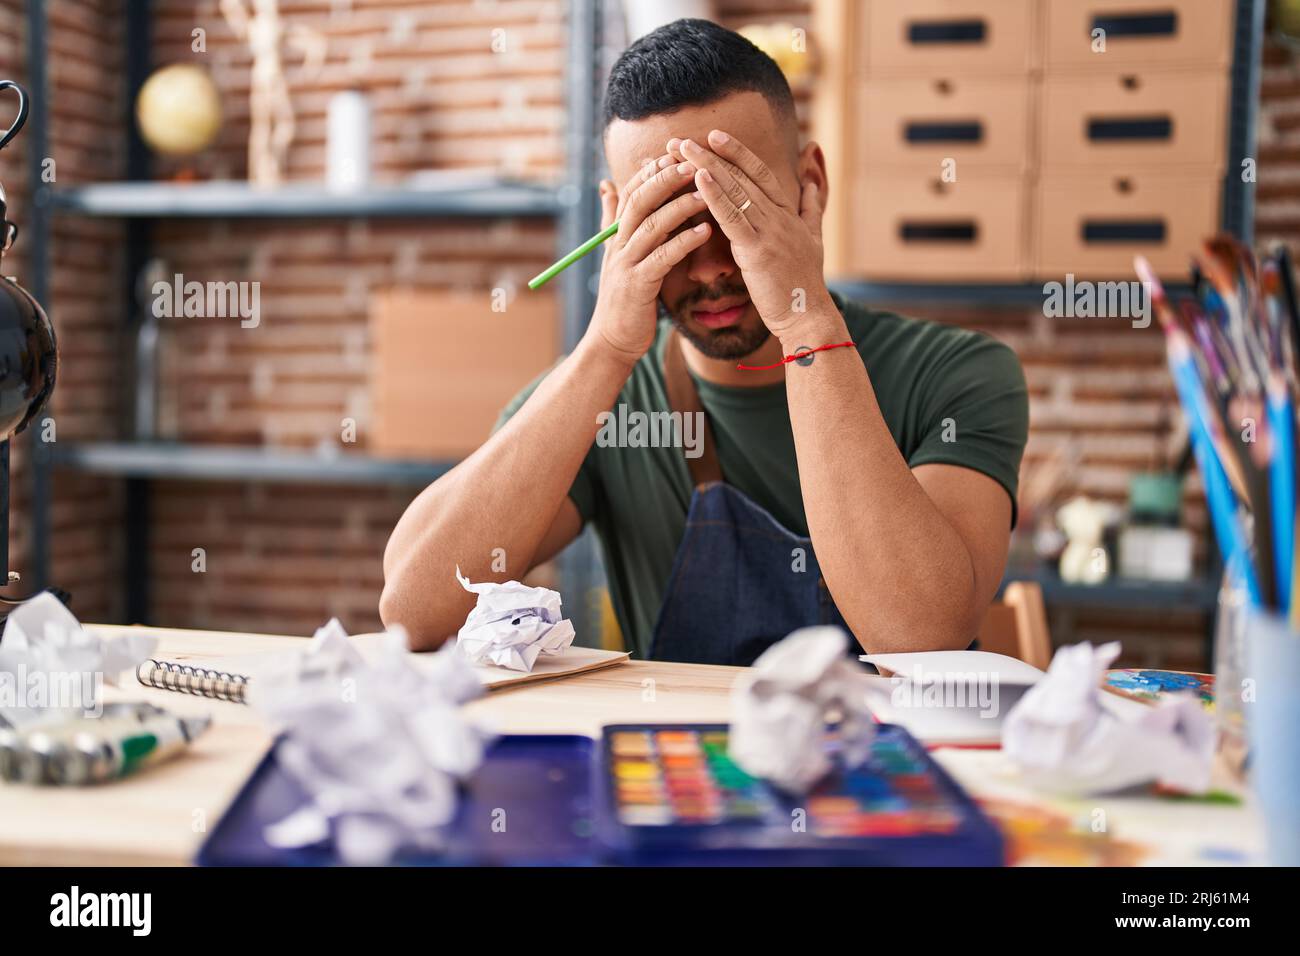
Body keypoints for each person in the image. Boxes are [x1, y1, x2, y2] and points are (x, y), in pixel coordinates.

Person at [380, 19, 1029, 665]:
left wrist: (806, 325)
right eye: (672, 223)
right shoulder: (605, 400)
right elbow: (413, 610)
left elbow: (921, 636)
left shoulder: (956, 375)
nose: (712, 265)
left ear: (812, 186)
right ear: (615, 222)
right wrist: (605, 346)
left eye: (739, 210)